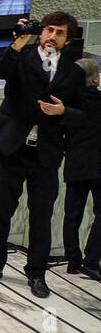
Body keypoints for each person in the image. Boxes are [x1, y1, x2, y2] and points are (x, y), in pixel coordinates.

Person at [0, 13, 86, 298]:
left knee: (42, 215)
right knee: (1, 209)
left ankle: (37, 273)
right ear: (42, 32)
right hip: (10, 146)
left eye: (60, 32)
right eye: (49, 30)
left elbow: (83, 115)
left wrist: (65, 112)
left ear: (68, 39)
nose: (52, 36)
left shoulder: (74, 73)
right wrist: (17, 43)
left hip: (47, 153)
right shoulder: (22, 56)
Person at [59, 58, 101, 281]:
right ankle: (92, 261)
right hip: (98, 165)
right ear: (96, 79)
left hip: (75, 163)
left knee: (72, 214)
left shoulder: (68, 104)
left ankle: (73, 261)